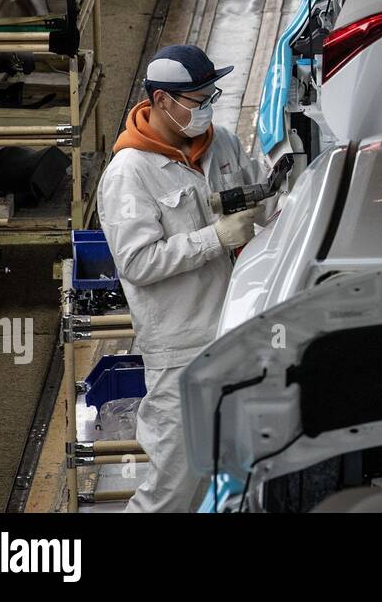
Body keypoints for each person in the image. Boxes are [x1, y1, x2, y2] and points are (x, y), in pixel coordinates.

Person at [97, 45, 265, 512]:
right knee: (173, 486)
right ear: (161, 100)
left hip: (237, 330)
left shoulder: (222, 143)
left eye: (211, 93)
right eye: (197, 98)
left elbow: (264, 198)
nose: (207, 105)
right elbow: (136, 262)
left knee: (246, 464)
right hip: (182, 347)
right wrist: (215, 238)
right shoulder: (129, 174)